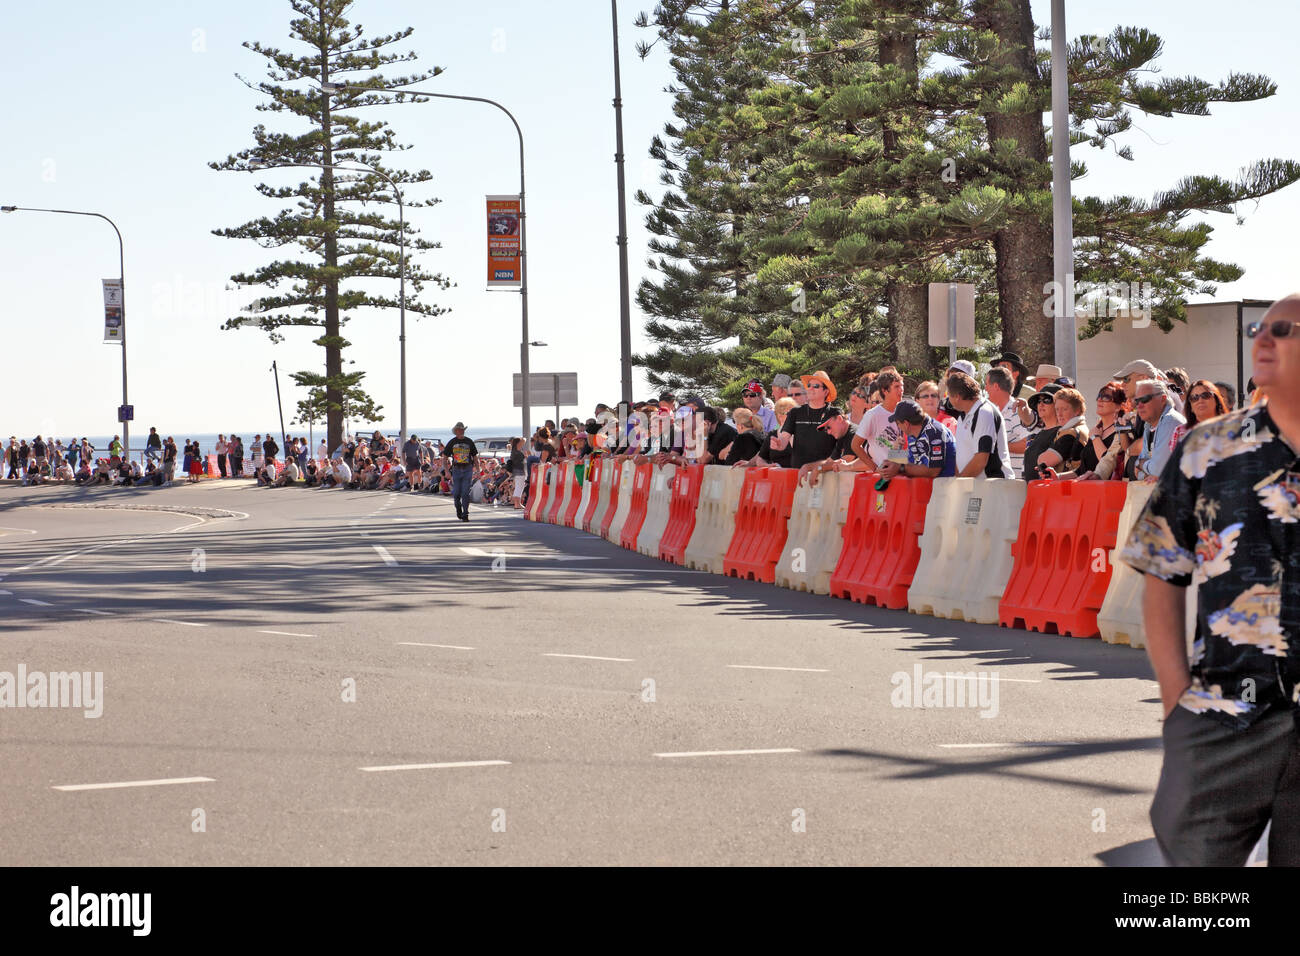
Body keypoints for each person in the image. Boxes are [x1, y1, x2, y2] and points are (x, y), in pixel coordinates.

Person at [1117, 294, 1300, 866]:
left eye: (1285, 330)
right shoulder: (1208, 448)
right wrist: (1177, 702)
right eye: (1260, 330)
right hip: (1223, 714)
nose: (1264, 341)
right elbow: (1160, 574)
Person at [946, 370, 1014, 479]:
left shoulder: (984, 412)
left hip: (995, 486)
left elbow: (981, 460)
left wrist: (959, 483)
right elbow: (961, 456)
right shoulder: (962, 416)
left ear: (957, 396)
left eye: (948, 394)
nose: (947, 399)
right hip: (975, 487)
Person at [1132, 379, 1187, 482]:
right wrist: (1144, 470)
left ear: (1163, 399)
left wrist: (1141, 464)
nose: (1139, 405)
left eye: (1145, 399)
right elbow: (1137, 472)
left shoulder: (1170, 421)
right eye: (1137, 401)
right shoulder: (1149, 426)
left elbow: (1157, 470)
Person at [852, 369, 906, 471]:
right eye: (897, 387)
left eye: (902, 385)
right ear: (885, 391)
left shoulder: (906, 411)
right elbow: (855, 445)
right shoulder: (873, 415)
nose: (901, 390)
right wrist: (875, 468)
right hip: (881, 477)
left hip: (900, 474)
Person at [1034, 388, 1090, 479]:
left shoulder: (1071, 433)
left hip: (1069, 488)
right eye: (1057, 409)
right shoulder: (1079, 428)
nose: (1059, 414)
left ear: (1077, 411)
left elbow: (1043, 461)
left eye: (1064, 409)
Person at [985, 367, 1031, 478]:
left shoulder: (1016, 411)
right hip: (1003, 481)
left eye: (987, 384)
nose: (985, 389)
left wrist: (999, 446)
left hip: (1016, 482)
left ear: (996, 386)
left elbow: (1027, 444)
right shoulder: (993, 411)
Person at [445, 422, 479, 521]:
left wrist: (477, 470)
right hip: (456, 470)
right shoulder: (452, 442)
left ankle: (465, 514)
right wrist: (447, 471)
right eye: (459, 429)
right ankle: (458, 509)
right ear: (456, 431)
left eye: (462, 429)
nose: (461, 431)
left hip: (468, 469)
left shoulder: (469, 442)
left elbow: (475, 457)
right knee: (456, 493)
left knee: (465, 493)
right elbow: (445, 458)